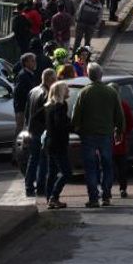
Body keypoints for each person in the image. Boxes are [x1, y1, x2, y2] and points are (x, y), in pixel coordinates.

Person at [71, 62, 125, 207]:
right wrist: (119, 131)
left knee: (90, 167)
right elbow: (119, 115)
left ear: (89, 75)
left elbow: (76, 115)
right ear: (101, 75)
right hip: (106, 134)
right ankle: (106, 195)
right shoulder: (111, 92)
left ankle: (93, 198)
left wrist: (76, 128)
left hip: (88, 134)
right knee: (107, 165)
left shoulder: (84, 92)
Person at [23, 68, 55, 197]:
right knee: (43, 160)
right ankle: (41, 187)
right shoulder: (46, 94)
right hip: (41, 131)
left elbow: (27, 113)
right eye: (55, 79)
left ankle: (29, 186)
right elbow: (47, 115)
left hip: (31, 129)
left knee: (33, 159)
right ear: (49, 79)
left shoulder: (33, 91)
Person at [43, 81, 74, 209]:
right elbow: (60, 125)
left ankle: (49, 197)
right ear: (61, 92)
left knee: (52, 173)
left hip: (50, 143)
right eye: (66, 90)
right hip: (58, 144)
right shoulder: (60, 106)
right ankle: (54, 197)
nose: (69, 92)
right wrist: (72, 126)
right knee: (67, 172)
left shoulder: (49, 106)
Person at [111, 88, 133, 199]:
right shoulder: (124, 105)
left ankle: (106, 189)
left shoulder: (106, 106)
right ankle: (123, 189)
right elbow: (131, 123)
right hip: (121, 141)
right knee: (122, 168)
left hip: (107, 142)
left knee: (107, 167)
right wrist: (125, 133)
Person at [11, 53, 38, 133]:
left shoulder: (30, 74)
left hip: (26, 108)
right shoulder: (23, 76)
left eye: (34, 61)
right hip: (22, 108)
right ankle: (17, 145)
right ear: (26, 63)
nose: (35, 63)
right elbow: (19, 93)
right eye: (32, 61)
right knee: (20, 129)